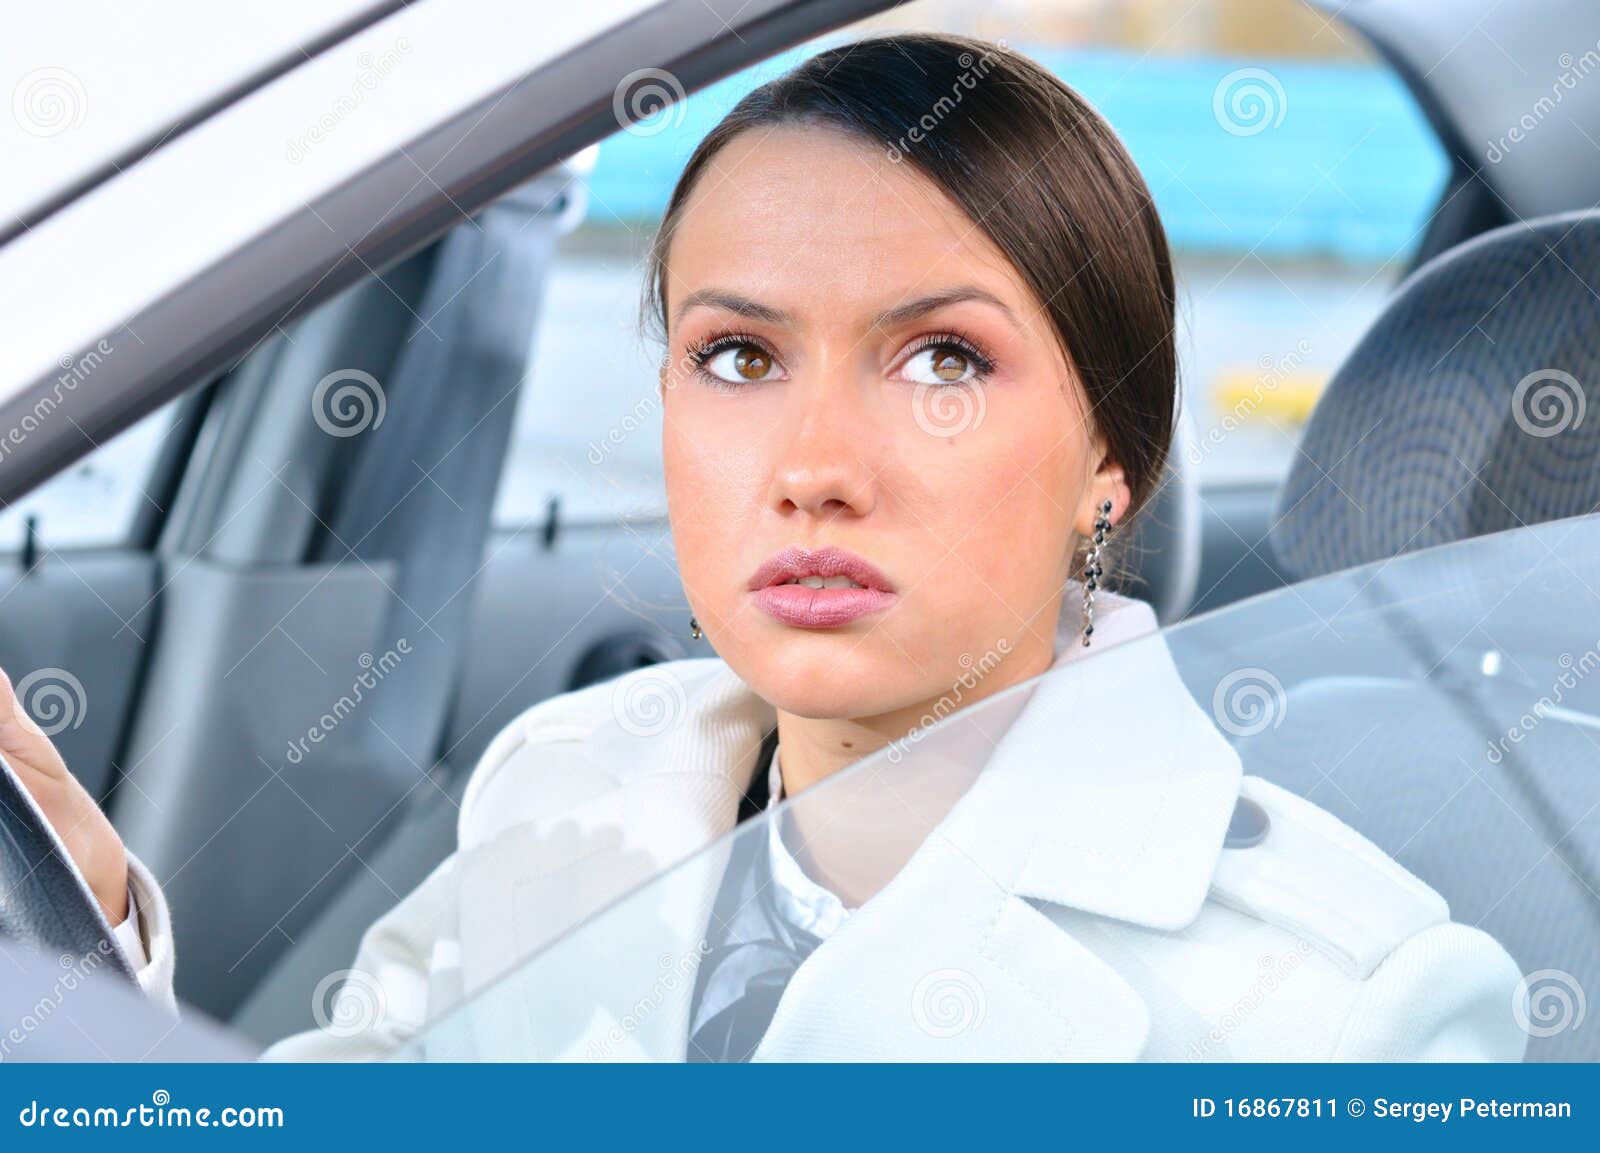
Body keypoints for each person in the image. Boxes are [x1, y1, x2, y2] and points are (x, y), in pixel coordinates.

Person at [0, 33, 1525, 1061]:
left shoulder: (1352, 1003)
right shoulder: (561, 776)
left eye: (941, 361)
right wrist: (90, 950)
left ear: (1109, 463)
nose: (812, 467)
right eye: (738, 358)